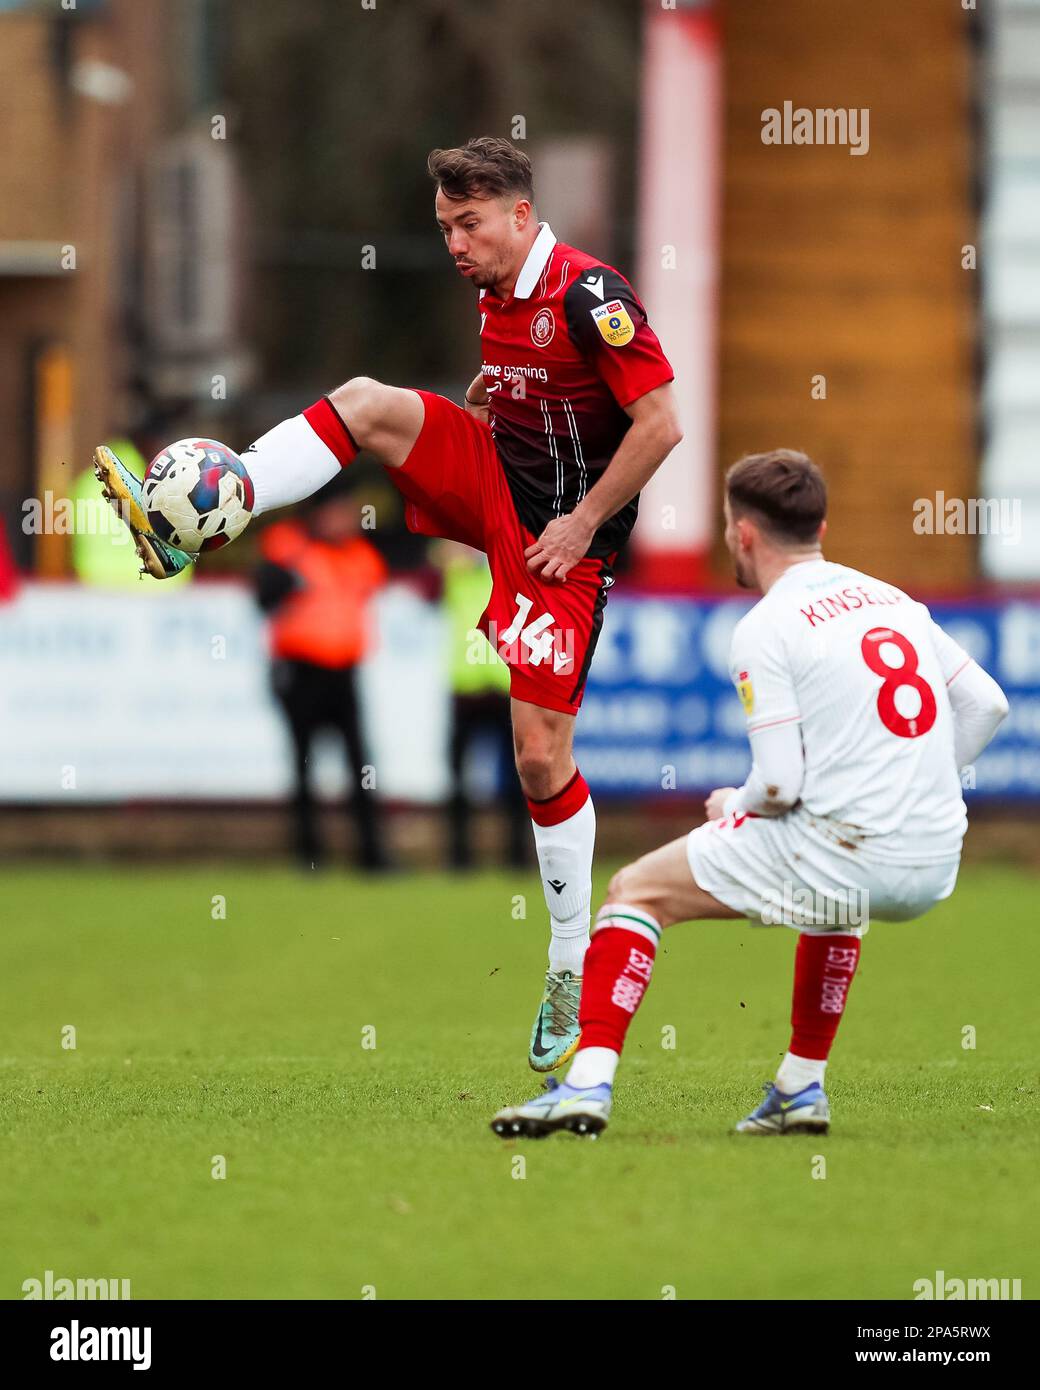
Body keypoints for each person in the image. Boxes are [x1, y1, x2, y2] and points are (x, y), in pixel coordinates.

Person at [93, 136, 681, 1074]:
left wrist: (582, 523)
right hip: (496, 477)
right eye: (444, 226)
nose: (454, 243)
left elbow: (661, 424)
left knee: (538, 757)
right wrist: (505, 392)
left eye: (470, 224)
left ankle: (571, 958)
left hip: (559, 545)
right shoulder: (496, 294)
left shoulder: (591, 295)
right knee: (367, 401)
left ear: (522, 217)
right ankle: (219, 502)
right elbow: (539, 384)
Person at [490, 450, 1010, 1139]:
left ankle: (585, 1085)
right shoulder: (894, 601)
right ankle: (800, 1088)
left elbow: (777, 783)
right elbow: (987, 704)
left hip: (848, 849)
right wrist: (912, 786)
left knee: (635, 892)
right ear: (820, 524)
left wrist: (734, 803)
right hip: (933, 859)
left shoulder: (766, 626)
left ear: (742, 534)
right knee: (838, 903)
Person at [256, 486, 389, 871]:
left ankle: (370, 854)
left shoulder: (359, 556)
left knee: (360, 764)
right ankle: (308, 854)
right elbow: (263, 597)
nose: (345, 522)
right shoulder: (288, 547)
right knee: (303, 763)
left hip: (343, 672)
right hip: (301, 671)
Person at [436, 540, 530, 870]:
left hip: (504, 684)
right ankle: (459, 856)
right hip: (468, 687)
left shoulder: (508, 572)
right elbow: (438, 562)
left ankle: (517, 856)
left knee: (517, 777)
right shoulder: (457, 570)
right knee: (458, 777)